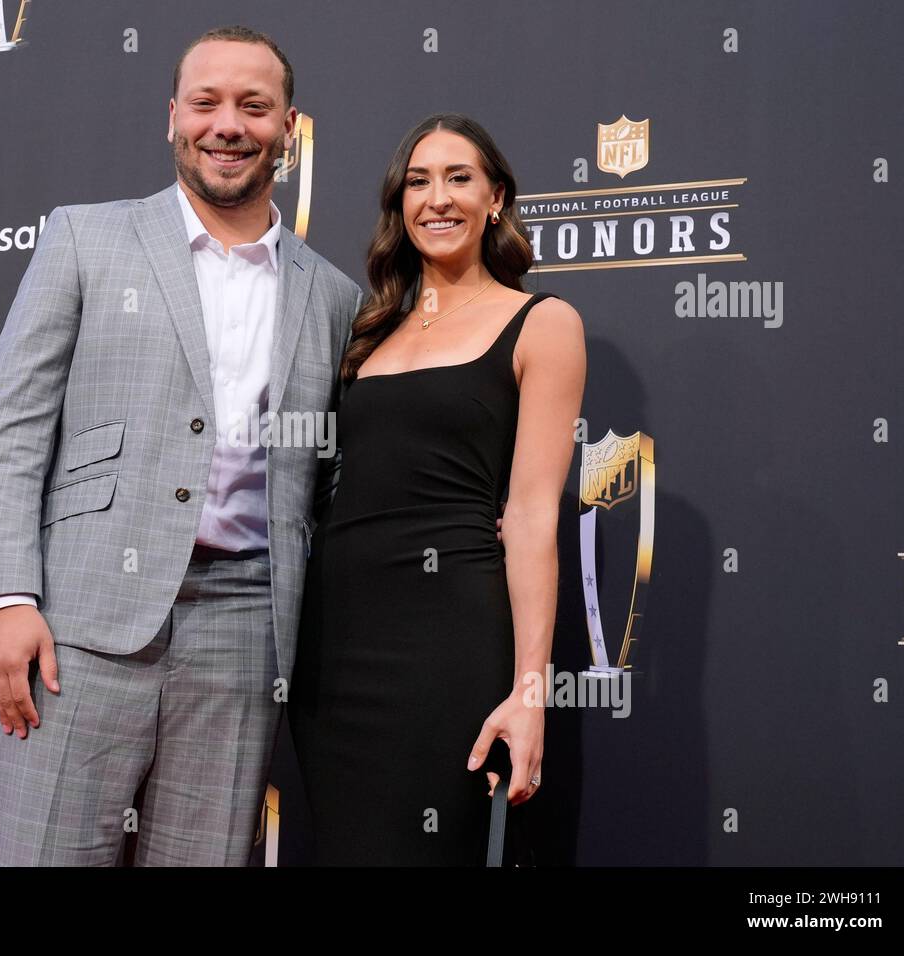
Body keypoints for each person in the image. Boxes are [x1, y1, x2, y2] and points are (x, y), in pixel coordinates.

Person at [0, 26, 363, 866]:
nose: (229, 124)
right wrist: (4, 599)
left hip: (245, 637)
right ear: (171, 115)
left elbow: (332, 480)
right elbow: (10, 429)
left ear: (290, 127)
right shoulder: (85, 238)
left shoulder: (331, 296)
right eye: (207, 101)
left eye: (255, 106)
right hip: (76, 626)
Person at [288, 113, 587, 865]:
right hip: (335, 644)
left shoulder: (543, 324)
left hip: (447, 642)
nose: (438, 198)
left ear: (497, 199)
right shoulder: (367, 328)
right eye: (418, 182)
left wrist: (529, 691)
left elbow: (529, 517)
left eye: (459, 178)